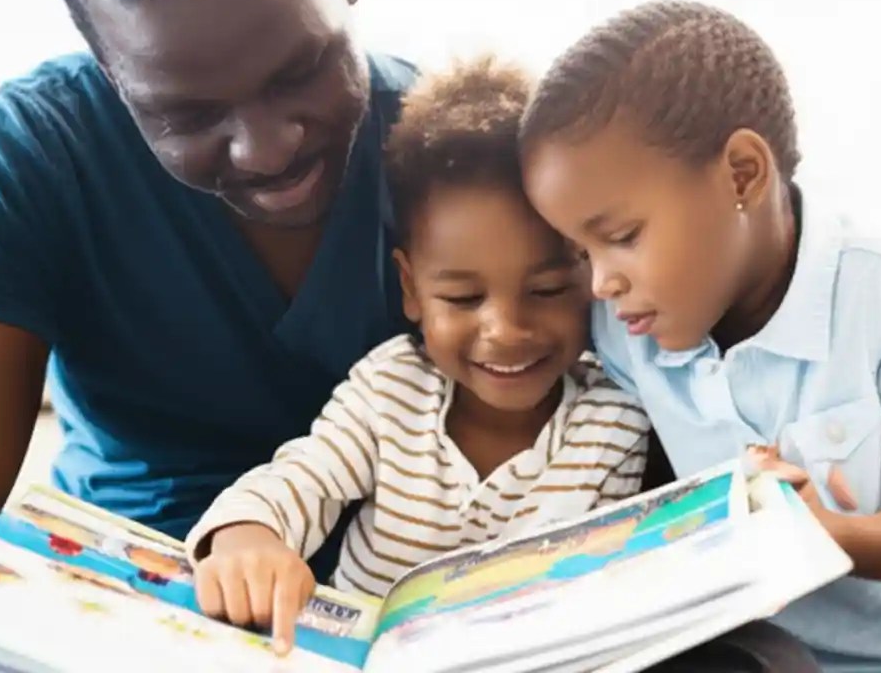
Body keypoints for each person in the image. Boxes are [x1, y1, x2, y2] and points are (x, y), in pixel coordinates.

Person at [0, 0, 415, 667]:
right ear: (110, 69)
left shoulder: (465, 147)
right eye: (189, 114)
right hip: (111, 624)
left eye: (299, 71)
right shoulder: (33, 151)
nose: (265, 149)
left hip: (388, 613)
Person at [519, 0, 881, 672]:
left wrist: (825, 535)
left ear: (742, 173)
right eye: (579, 253)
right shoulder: (627, 331)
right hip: (747, 656)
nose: (600, 283)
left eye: (622, 238)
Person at [185, 57, 651, 654]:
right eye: (462, 297)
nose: (506, 331)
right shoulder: (390, 387)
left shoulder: (612, 421)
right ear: (410, 288)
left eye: (547, 291)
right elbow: (303, 478)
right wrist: (246, 535)